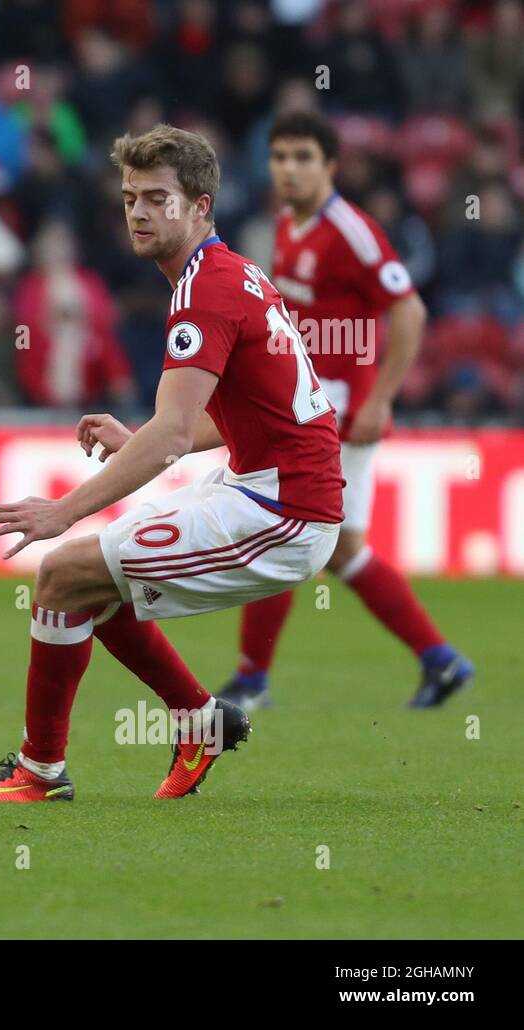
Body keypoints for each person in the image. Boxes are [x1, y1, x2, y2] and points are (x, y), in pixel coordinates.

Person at [0, 125, 343, 803]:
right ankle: (199, 722)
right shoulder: (228, 273)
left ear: (202, 207)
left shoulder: (205, 290)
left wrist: (60, 511)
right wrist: (142, 439)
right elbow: (250, 412)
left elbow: (174, 431)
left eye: (158, 198)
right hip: (264, 484)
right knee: (87, 581)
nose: (139, 212)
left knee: (64, 571)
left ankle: (39, 771)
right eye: (131, 197)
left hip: (285, 511)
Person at [219, 111, 472, 711]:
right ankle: (439, 659)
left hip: (338, 411)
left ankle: (252, 680)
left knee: (275, 523)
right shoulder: (287, 224)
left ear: (330, 165)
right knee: (338, 547)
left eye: (303, 157)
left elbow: (409, 312)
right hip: (309, 404)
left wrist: (380, 398)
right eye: (280, 157)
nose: (288, 169)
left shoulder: (352, 231)